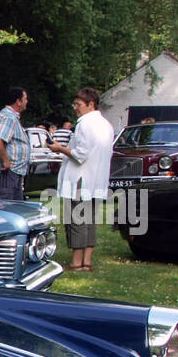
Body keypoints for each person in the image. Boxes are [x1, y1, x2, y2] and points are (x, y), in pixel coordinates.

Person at [48, 87, 114, 272]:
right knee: (90, 220)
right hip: (97, 179)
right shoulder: (106, 125)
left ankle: (77, 263)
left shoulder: (85, 124)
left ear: (91, 104)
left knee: (77, 219)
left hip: (81, 179)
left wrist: (60, 148)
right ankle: (87, 261)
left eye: (78, 104)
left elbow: (81, 154)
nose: (75, 107)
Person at [0, 87, 30, 200]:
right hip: (9, 172)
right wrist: (6, 161)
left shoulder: (11, 117)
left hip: (14, 172)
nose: (27, 101)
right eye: (25, 99)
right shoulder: (9, 117)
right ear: (18, 101)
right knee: (7, 208)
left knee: (16, 208)